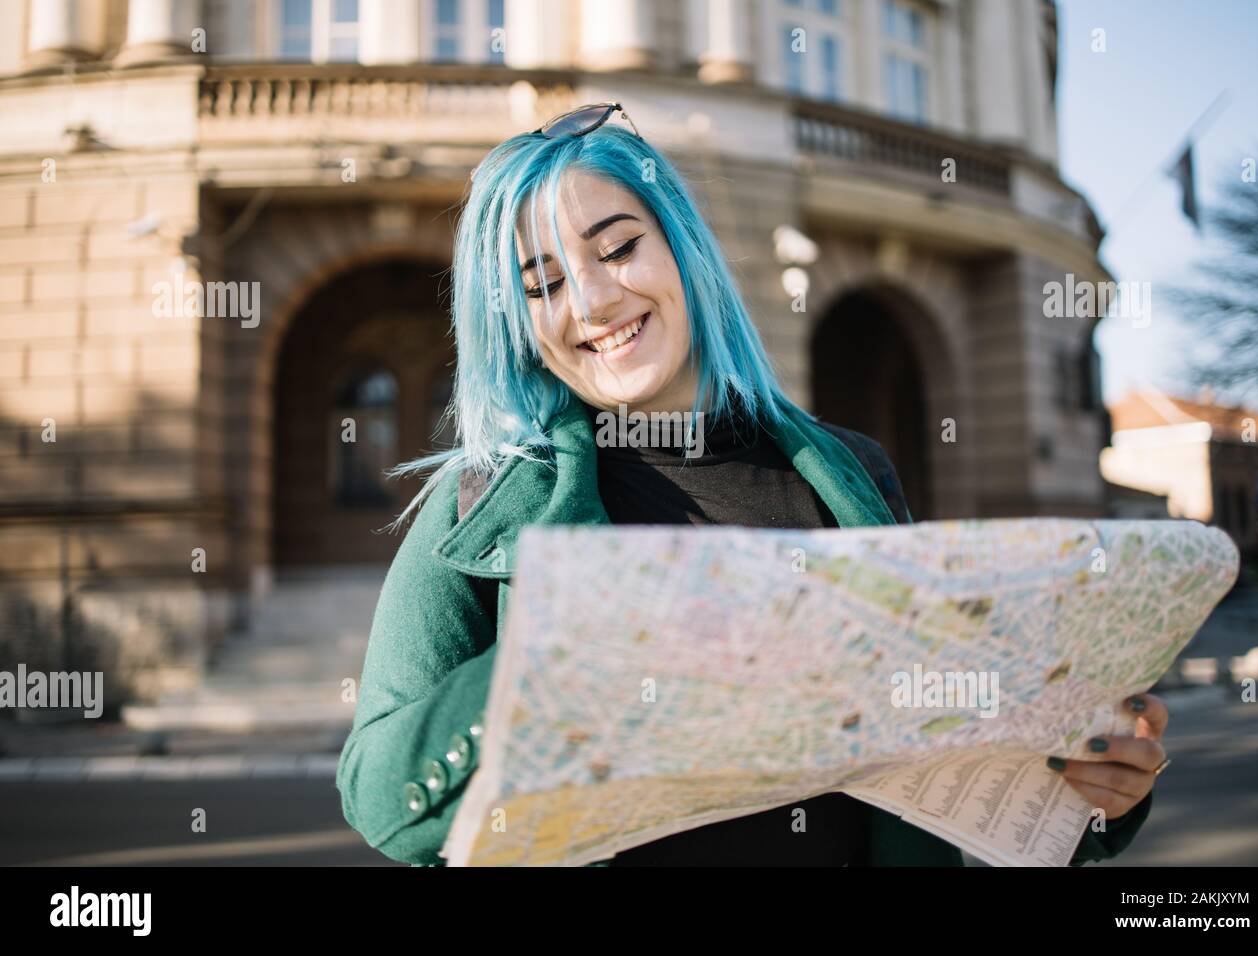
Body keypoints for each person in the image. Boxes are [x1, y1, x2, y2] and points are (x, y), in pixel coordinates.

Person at [335, 103, 1167, 866]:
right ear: (520, 327)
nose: (591, 299)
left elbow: (957, 748)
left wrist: (1096, 793)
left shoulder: (852, 471)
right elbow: (378, 795)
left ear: (681, 249)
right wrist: (553, 665)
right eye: (542, 284)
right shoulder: (483, 501)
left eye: (619, 247)